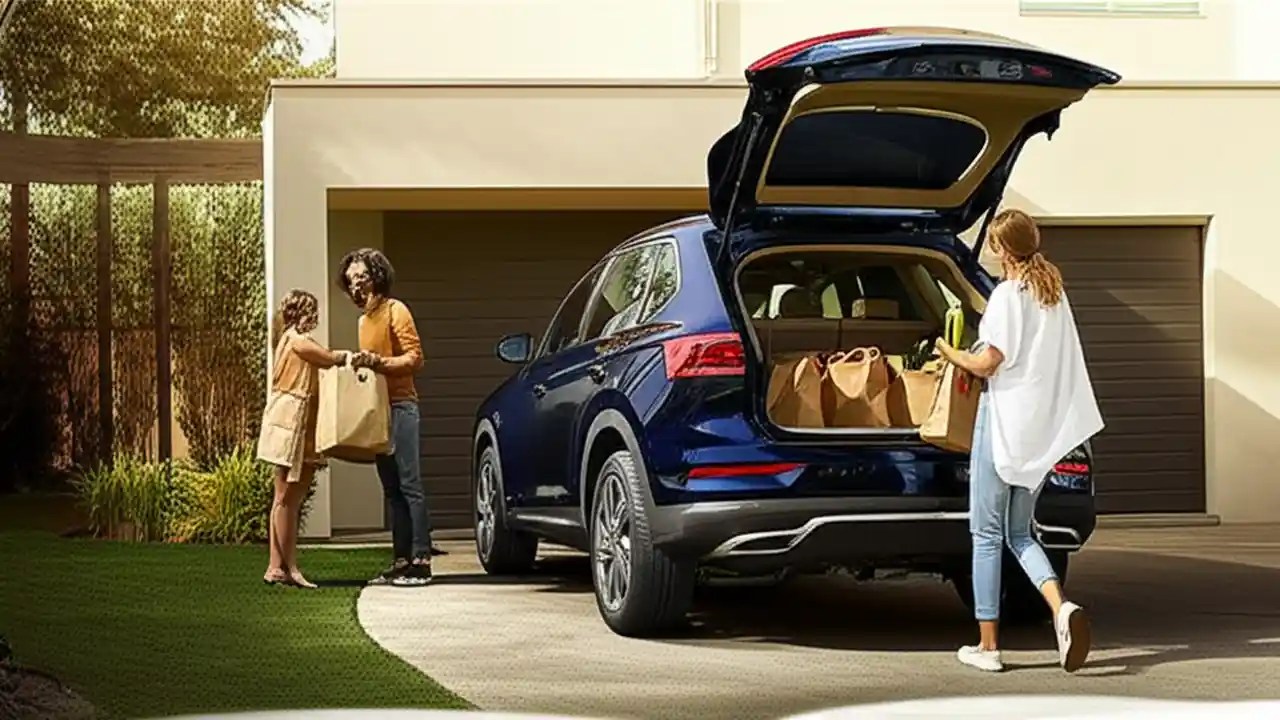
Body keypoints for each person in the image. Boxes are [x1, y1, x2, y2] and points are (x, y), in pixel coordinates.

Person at [934, 209, 1105, 674]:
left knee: (986, 534)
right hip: (1037, 432)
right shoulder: (1053, 295)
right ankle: (1061, 609)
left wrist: (950, 354)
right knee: (1019, 533)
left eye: (992, 242)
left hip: (1003, 423)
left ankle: (988, 648)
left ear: (1001, 248)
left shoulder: (1009, 296)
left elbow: (990, 361)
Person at [336, 247, 441, 587]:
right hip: (377, 411)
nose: (356, 286)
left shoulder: (396, 310)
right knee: (391, 489)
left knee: (410, 485)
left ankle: (421, 561)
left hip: (402, 407)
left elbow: (415, 359)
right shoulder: (362, 321)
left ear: (377, 277)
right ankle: (400, 560)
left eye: (362, 278)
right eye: (351, 281)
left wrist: (379, 362)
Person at [258, 289, 349, 589]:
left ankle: (275, 567)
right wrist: (352, 357)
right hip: (296, 426)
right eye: (313, 310)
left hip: (283, 423)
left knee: (281, 498)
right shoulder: (298, 341)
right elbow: (328, 359)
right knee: (289, 500)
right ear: (304, 313)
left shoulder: (284, 340)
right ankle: (291, 567)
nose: (317, 316)